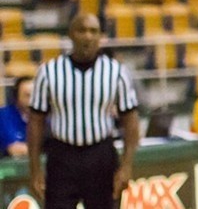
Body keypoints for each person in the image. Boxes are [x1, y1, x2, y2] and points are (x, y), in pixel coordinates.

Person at [28, 13, 140, 209]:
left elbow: (130, 120)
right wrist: (35, 169)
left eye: (93, 31)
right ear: (71, 34)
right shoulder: (48, 72)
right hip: (62, 156)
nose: (88, 36)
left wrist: (127, 165)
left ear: (100, 37)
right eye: (82, 30)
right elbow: (36, 121)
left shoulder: (116, 72)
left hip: (101, 156)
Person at [0, 76, 33, 157]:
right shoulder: (4, 116)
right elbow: (15, 149)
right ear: (17, 97)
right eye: (27, 95)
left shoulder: (46, 117)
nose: (32, 100)